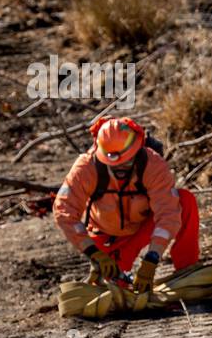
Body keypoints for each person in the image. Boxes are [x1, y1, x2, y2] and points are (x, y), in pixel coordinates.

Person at [53, 116, 200, 295]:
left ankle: (187, 271)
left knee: (184, 201)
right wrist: (93, 253)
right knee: (110, 292)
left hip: (141, 229)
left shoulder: (153, 165)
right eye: (113, 165)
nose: (120, 168)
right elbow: (63, 210)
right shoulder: (86, 167)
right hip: (106, 238)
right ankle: (113, 269)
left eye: (127, 161)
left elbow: (168, 213)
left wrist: (151, 259)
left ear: (137, 149)